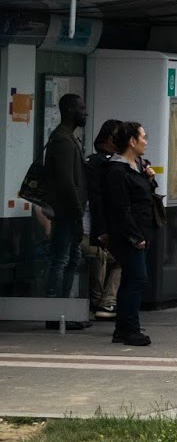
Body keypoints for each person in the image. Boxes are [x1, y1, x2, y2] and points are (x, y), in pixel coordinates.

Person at [102, 121, 158, 347]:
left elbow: (144, 196)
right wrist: (135, 236)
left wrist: (149, 179)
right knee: (137, 279)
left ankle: (123, 329)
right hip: (129, 235)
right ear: (132, 141)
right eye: (143, 137)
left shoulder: (138, 166)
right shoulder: (117, 170)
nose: (146, 142)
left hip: (141, 231)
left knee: (130, 279)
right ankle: (130, 328)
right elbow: (120, 208)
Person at [41, 93, 90, 329]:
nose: (85, 112)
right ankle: (56, 314)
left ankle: (63, 312)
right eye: (81, 108)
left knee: (71, 257)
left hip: (69, 211)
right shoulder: (62, 140)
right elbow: (66, 181)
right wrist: (78, 213)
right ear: (70, 110)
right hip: (66, 212)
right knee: (61, 260)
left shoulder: (68, 138)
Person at [83, 118, 123, 322]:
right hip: (93, 228)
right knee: (109, 258)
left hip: (91, 227)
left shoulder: (92, 162)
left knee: (108, 259)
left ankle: (101, 302)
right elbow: (99, 201)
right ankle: (104, 301)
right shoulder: (108, 165)